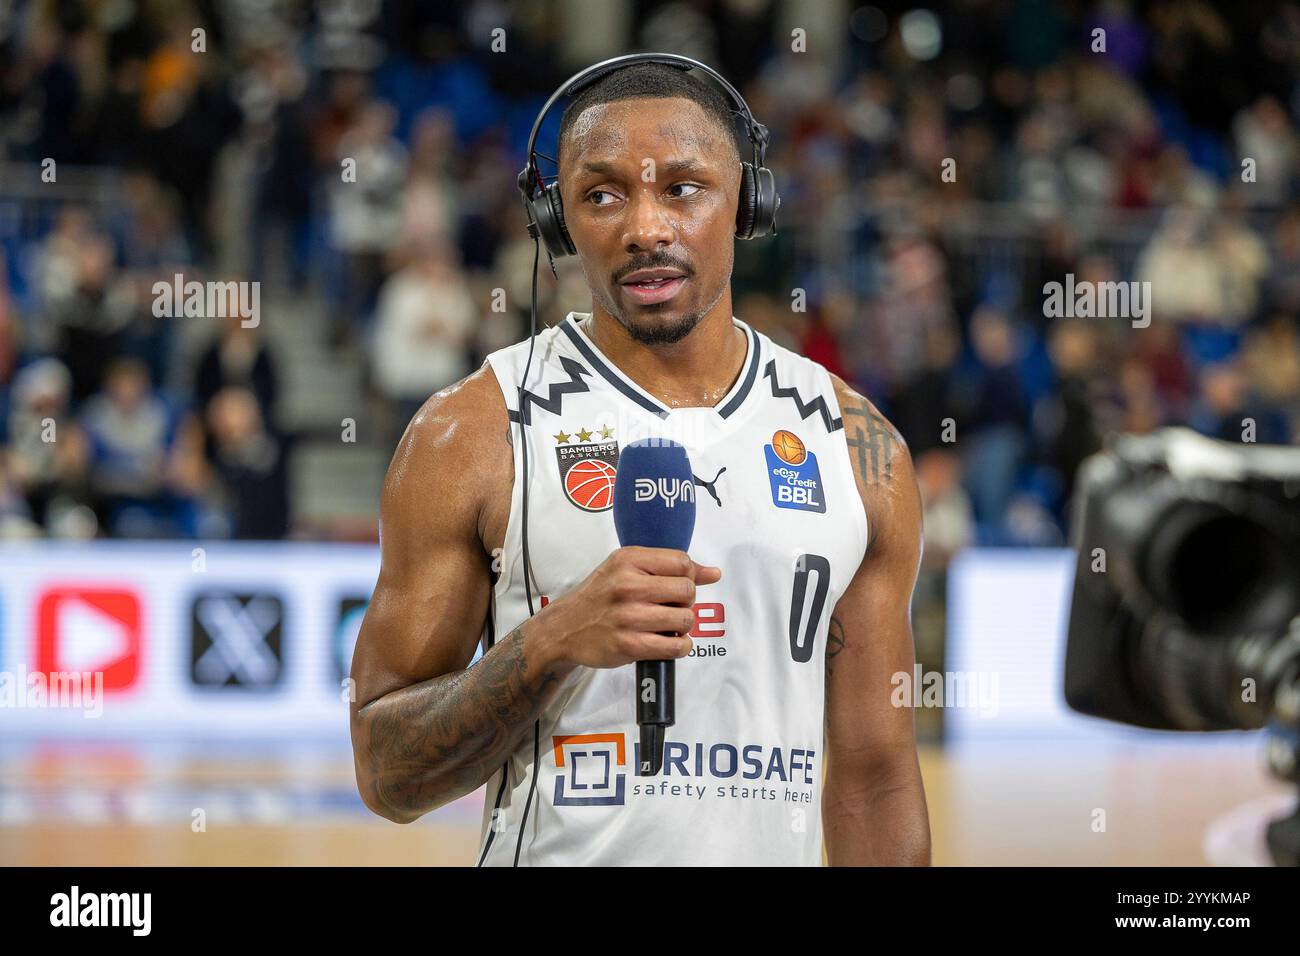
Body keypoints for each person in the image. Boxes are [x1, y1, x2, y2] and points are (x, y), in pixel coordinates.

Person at [348, 60, 930, 866]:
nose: (646, 227)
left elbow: (875, 779)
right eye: (603, 193)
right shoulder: (471, 433)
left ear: (749, 206)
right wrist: (549, 641)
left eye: (685, 188)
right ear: (557, 222)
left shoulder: (857, 446)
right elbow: (387, 773)